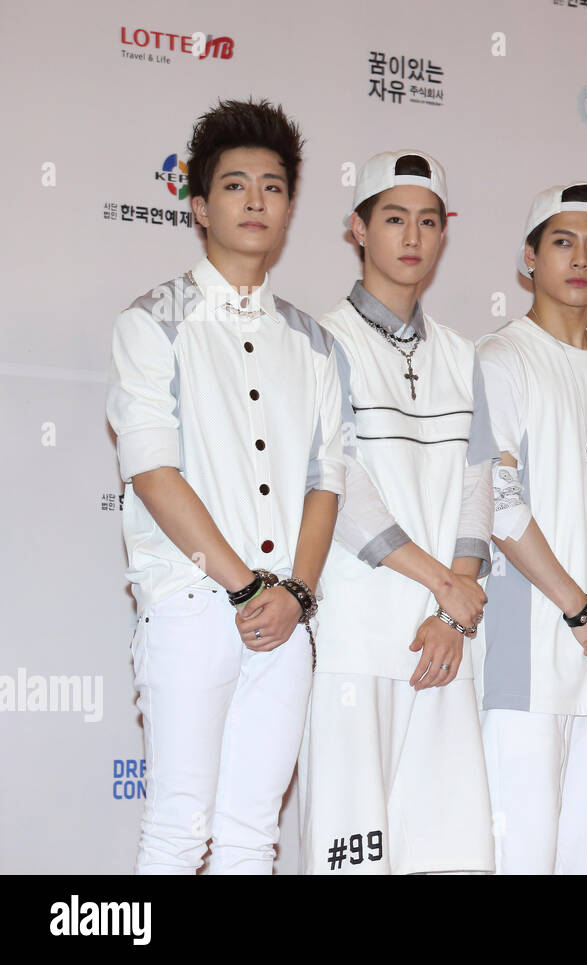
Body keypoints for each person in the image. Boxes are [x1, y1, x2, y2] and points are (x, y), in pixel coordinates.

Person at [106, 98, 344, 874]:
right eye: (235, 185)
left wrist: (298, 593)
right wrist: (245, 587)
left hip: (287, 618)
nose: (255, 201)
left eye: (272, 187)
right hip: (192, 604)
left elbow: (324, 481)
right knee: (179, 827)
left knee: (252, 836)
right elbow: (150, 469)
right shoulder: (152, 321)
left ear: (289, 208)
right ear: (200, 206)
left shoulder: (314, 342)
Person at [297, 150, 496, 874]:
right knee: (350, 856)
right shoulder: (320, 341)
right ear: (357, 228)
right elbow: (337, 486)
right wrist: (443, 584)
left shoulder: (462, 353)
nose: (411, 237)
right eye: (392, 219)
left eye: (427, 221)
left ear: (446, 233)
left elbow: (482, 483)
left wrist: (451, 610)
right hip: (356, 640)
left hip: (444, 643)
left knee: (450, 853)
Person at [474, 182, 587, 874]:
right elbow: (500, 501)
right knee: (518, 853)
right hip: (526, 657)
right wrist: (578, 605)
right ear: (529, 257)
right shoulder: (500, 358)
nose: (581, 258)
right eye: (562, 242)